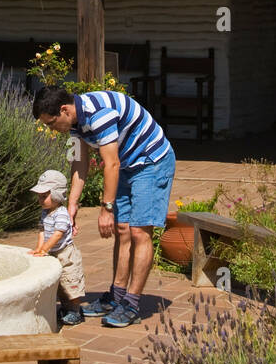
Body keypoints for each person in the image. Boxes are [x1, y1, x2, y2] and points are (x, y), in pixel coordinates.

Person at [32, 86, 176, 329]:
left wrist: (106, 208)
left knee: (140, 231)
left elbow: (111, 164)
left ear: (64, 110)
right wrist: (72, 204)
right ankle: (117, 296)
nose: (51, 130)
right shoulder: (75, 124)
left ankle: (131, 304)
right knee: (122, 230)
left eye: (51, 123)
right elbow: (79, 162)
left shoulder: (100, 116)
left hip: (151, 163)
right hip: (128, 165)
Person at [28, 168, 86, 326]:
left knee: (70, 282)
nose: (40, 200)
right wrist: (39, 248)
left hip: (65, 255)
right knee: (59, 285)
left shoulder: (61, 213)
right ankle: (67, 309)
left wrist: (45, 249)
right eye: (39, 196)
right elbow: (42, 231)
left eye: (44, 196)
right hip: (53, 253)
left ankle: (75, 310)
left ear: (57, 194)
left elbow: (57, 234)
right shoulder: (45, 212)